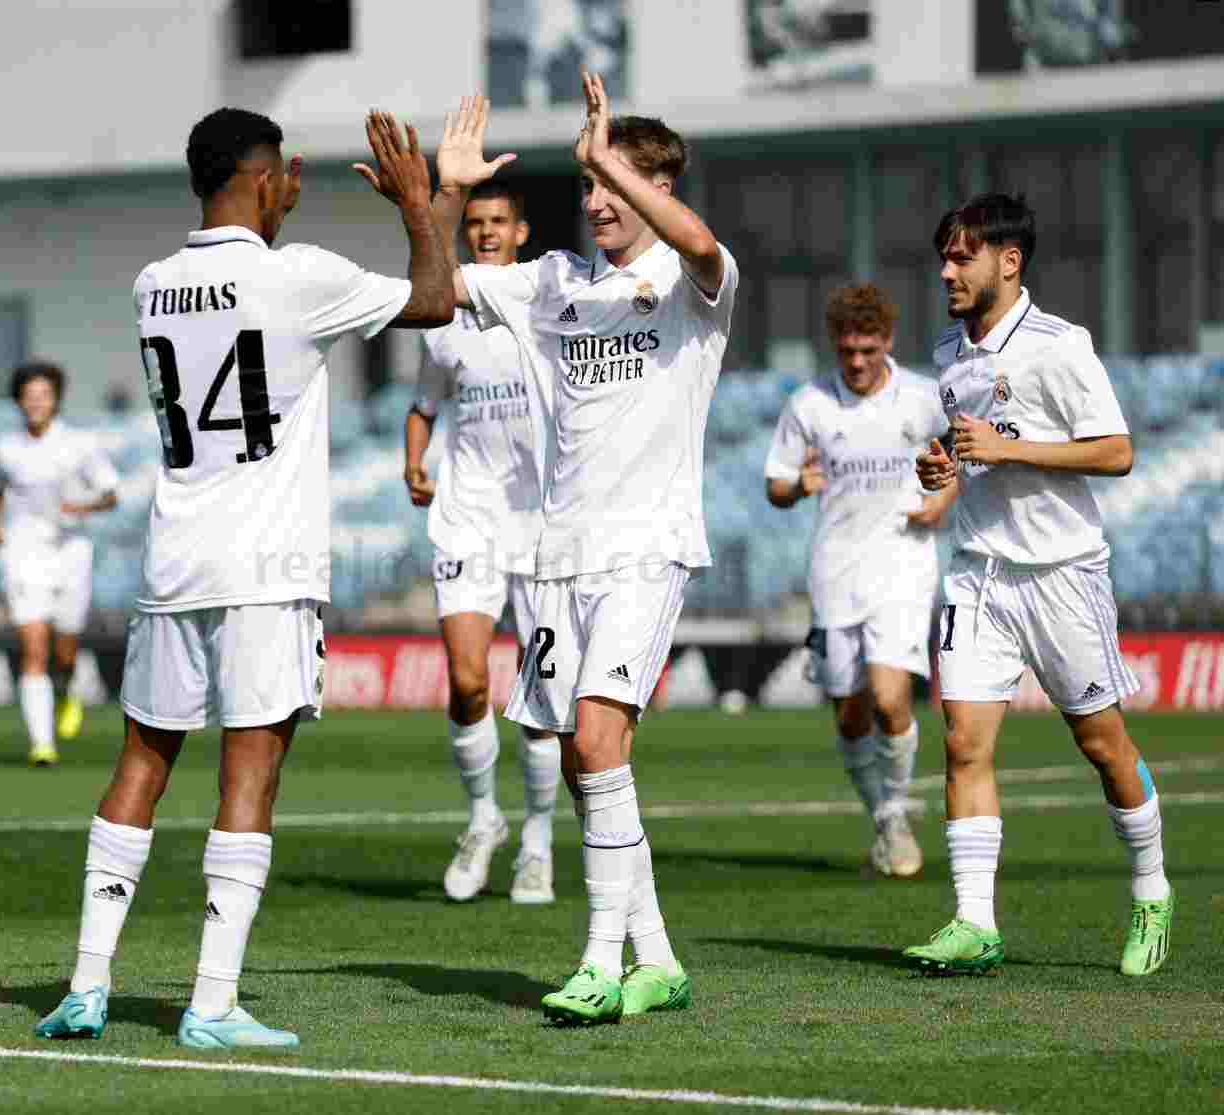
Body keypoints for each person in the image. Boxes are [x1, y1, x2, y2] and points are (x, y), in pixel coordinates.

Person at [33, 105, 454, 1050]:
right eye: (289, 180)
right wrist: (419, 204)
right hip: (265, 566)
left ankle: (88, 984)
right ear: (264, 179)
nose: (296, 193)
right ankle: (211, 1001)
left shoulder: (153, 284)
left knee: (142, 760)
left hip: (174, 558)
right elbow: (436, 299)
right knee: (250, 772)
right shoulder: (298, 276)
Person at [432, 80, 739, 1023]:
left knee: (601, 743)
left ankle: (601, 963)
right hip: (554, 556)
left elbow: (695, 243)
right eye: (589, 185)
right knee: (581, 764)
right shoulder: (552, 282)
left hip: (646, 550)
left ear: (656, 183)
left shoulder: (693, 286)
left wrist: (610, 159)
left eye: (615, 183)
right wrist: (442, 196)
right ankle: (657, 957)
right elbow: (429, 293)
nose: (598, 200)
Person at [907, 192, 1172, 976]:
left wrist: (1011, 449)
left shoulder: (1061, 346)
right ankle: (973, 921)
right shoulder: (947, 352)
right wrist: (943, 468)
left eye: (962, 256)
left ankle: (1153, 888)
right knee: (962, 742)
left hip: (1062, 572)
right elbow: (971, 451)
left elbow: (1117, 451)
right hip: (980, 572)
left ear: (1008, 261)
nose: (946, 269)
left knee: (1102, 744)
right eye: (944, 256)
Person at [404, 179, 562, 905]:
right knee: (468, 681)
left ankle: (537, 839)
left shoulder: (547, 308)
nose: (487, 231)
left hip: (542, 525)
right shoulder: (444, 318)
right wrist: (414, 458)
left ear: (521, 232)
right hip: (467, 517)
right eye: (476, 222)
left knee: (539, 698)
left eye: (500, 220)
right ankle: (483, 818)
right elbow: (423, 402)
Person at [764, 283, 955, 878]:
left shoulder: (923, 398)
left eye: (868, 349)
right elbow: (775, 484)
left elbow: (962, 457)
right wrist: (799, 486)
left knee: (893, 698)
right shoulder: (810, 405)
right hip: (835, 571)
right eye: (847, 350)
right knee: (851, 713)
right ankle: (884, 817)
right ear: (835, 346)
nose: (857, 361)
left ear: (888, 342)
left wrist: (945, 494)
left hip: (904, 564)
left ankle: (896, 815)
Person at [0, 362, 119, 765]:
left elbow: (111, 496)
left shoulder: (79, 445)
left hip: (71, 553)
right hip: (25, 554)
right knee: (33, 648)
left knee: (64, 653)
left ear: (56, 399)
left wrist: (81, 507)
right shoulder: (5, 447)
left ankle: (67, 692)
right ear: (19, 401)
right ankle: (41, 744)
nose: (35, 403)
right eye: (29, 396)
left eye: (43, 395)